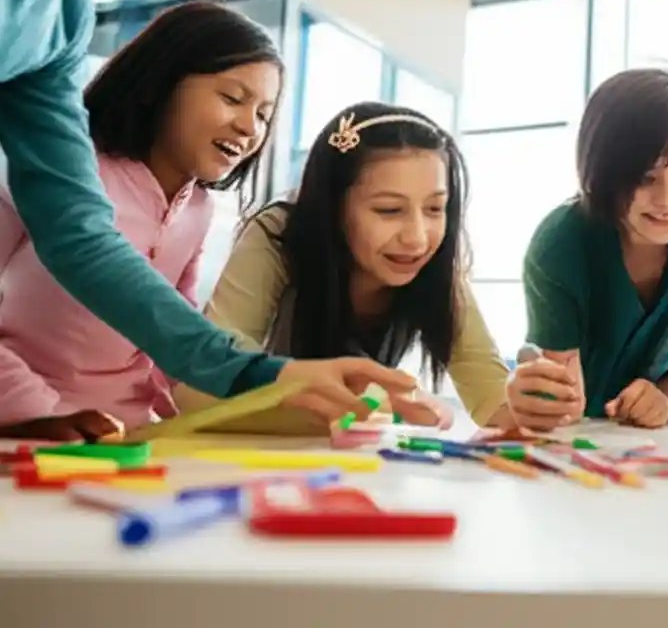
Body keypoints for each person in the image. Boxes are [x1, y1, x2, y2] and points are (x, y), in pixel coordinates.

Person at [0, 0, 420, 435]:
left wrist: (261, 375)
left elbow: (79, 236)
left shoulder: (65, 12)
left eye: (264, 114)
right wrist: (32, 407)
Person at [0, 0, 289, 439]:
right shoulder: (56, 176)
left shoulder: (197, 210)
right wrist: (35, 413)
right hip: (29, 432)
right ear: (163, 81)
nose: (250, 127)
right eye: (233, 98)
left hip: (131, 436)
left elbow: (175, 328)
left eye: (265, 114)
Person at [177, 102, 519, 433]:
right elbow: (203, 384)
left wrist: (534, 405)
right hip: (257, 456)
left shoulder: (437, 261)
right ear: (332, 208)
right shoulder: (281, 235)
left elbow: (494, 399)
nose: (417, 238)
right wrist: (351, 405)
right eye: (388, 210)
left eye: (434, 209)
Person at [513, 67, 668, 431]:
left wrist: (665, 401)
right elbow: (565, 401)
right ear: (599, 175)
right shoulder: (559, 245)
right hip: (574, 440)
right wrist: (541, 398)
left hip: (651, 447)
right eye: (644, 177)